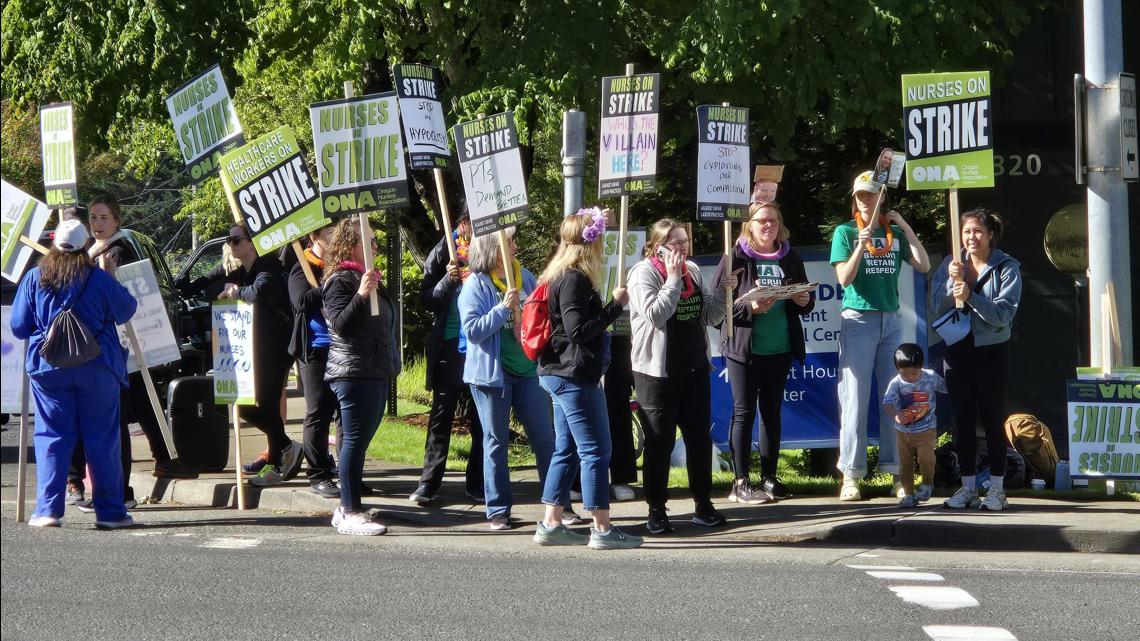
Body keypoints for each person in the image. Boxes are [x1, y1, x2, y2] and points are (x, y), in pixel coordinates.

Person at [69, 196, 198, 509]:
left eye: (103, 218)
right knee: (137, 404)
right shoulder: (87, 253)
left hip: (123, 345)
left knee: (125, 411)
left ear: (117, 222)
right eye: (94, 218)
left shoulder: (117, 250)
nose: (97, 224)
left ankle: (123, 487)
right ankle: (159, 460)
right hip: (104, 349)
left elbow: (123, 296)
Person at [12, 219, 138, 528]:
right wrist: (110, 275)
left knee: (52, 436)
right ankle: (110, 513)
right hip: (98, 366)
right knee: (102, 438)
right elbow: (126, 309)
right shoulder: (98, 277)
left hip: (49, 369)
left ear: (54, 245)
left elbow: (19, 327)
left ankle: (47, 511)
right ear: (85, 247)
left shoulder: (34, 278)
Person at [533, 208, 642, 550]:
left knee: (566, 450)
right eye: (600, 240)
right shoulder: (573, 280)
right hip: (573, 375)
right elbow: (579, 331)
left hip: (563, 374)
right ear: (588, 244)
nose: (602, 247)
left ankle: (551, 523)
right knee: (596, 451)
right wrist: (614, 306)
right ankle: (602, 529)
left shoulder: (562, 276)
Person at [627, 218, 734, 534]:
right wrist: (672, 279)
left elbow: (709, 316)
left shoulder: (694, 270)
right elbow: (656, 315)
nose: (683, 247)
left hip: (694, 366)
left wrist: (722, 296)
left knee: (699, 438)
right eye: (675, 242)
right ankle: (656, 509)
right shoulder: (642, 273)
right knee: (659, 442)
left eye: (685, 241)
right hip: (657, 372)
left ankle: (703, 504)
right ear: (658, 245)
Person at [458, 228, 570, 530]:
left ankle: (558, 504)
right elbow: (473, 331)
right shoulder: (476, 285)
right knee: (496, 441)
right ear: (492, 249)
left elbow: (543, 313)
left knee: (546, 437)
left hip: (527, 371)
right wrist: (502, 309)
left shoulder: (525, 276)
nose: (514, 245)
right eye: (508, 242)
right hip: (491, 377)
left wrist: (530, 311)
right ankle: (497, 510)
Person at [831, 170, 930, 501]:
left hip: (891, 321)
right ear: (854, 198)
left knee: (895, 398)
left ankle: (897, 474)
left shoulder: (894, 234)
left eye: (872, 194)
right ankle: (851, 475)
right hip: (859, 319)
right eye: (860, 195)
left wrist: (904, 226)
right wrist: (859, 247)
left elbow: (924, 264)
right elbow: (844, 278)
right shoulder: (845, 232)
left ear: (882, 196)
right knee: (855, 399)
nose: (866, 199)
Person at [184, 223, 302, 486]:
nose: (230, 244)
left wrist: (237, 293)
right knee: (251, 405)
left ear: (252, 243)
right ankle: (283, 449)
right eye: (229, 239)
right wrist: (188, 286)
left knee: (264, 405)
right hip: (259, 349)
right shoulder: (245, 271)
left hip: (275, 349)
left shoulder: (267, 266)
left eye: (236, 239)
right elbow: (213, 278)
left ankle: (278, 457)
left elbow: (260, 291)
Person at [714, 202, 814, 503]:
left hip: (780, 348)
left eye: (773, 220)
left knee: (772, 413)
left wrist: (803, 299)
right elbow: (716, 308)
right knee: (743, 413)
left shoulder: (790, 256)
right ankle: (740, 481)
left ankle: (769, 478)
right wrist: (749, 308)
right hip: (744, 349)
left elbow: (806, 303)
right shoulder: (735, 258)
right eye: (761, 221)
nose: (767, 225)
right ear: (750, 225)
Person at [930, 208, 1022, 511]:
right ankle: (967, 487)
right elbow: (935, 307)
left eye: (978, 231)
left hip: (992, 351)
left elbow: (1002, 315)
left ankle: (997, 489)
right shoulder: (950, 264)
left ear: (991, 234)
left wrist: (970, 296)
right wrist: (950, 285)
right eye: (967, 231)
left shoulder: (1007, 268)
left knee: (992, 419)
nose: (972, 237)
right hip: (957, 349)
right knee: (963, 420)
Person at [322, 218, 400, 535]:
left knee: (359, 443)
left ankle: (346, 507)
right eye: (370, 240)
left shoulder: (365, 277)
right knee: (352, 441)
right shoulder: (340, 280)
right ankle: (351, 510)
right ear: (352, 244)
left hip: (374, 370)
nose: (376, 246)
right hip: (353, 373)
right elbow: (340, 325)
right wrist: (361, 294)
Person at [410, 213, 484, 505]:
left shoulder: (492, 246)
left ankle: (477, 483)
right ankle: (428, 483)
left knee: (482, 418)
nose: (471, 229)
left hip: (481, 345)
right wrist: (447, 280)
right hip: (450, 344)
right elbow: (426, 297)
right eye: (467, 223)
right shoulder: (445, 249)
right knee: (441, 416)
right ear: (461, 224)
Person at [287, 227, 340, 498]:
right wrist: (327, 287)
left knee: (344, 412)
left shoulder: (340, 264)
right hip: (315, 350)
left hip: (342, 349)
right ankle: (318, 474)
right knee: (318, 411)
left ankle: (348, 472)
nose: (334, 236)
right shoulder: (302, 267)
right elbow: (300, 301)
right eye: (329, 232)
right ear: (314, 238)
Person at [882, 343, 947, 508]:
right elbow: (887, 402)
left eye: (914, 373)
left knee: (926, 459)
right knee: (904, 465)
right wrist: (896, 414)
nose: (910, 377)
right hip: (903, 433)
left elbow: (947, 387)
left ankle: (927, 484)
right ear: (897, 369)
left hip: (926, 430)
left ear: (921, 367)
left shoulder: (930, 377)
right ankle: (909, 494)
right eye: (905, 374)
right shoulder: (896, 383)